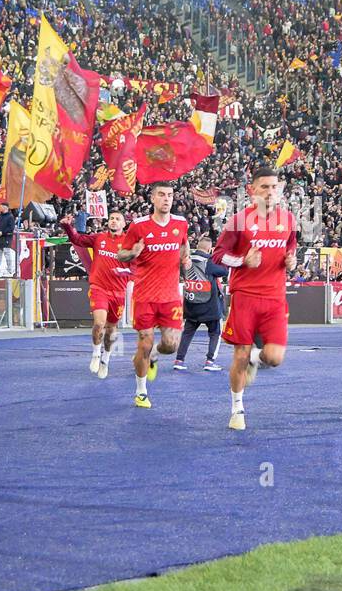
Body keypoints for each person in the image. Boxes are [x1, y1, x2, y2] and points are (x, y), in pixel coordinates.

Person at [211, 166, 297, 431]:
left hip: (274, 298)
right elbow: (217, 256)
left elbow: (291, 244)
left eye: (274, 187)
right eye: (264, 187)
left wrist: (291, 260)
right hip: (245, 296)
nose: (270, 192)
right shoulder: (238, 220)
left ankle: (254, 359)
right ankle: (237, 408)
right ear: (252, 190)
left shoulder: (289, 219)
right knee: (239, 355)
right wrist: (242, 260)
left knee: (274, 358)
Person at [116, 183, 189, 409]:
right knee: (144, 345)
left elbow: (184, 246)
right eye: (161, 195)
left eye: (169, 195)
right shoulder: (138, 226)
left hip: (170, 296)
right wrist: (132, 253)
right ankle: (141, 391)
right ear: (153, 199)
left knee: (170, 345)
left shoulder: (181, 223)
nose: (166, 199)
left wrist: (185, 259)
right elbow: (121, 254)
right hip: (145, 296)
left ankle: (155, 356)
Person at [60, 209, 131, 378]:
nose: (114, 221)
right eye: (112, 218)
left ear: (124, 224)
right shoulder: (99, 238)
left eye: (117, 219)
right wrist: (68, 227)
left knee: (111, 329)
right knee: (99, 323)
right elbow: (77, 239)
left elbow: (138, 267)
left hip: (118, 292)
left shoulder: (130, 243)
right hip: (99, 288)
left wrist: (123, 271)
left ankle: (105, 359)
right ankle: (96, 354)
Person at [174, 234, 228, 372]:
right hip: (210, 306)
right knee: (215, 333)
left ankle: (179, 360)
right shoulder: (209, 262)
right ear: (210, 250)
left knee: (187, 332)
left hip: (191, 304)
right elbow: (223, 271)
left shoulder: (187, 259)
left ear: (197, 246)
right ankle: (210, 361)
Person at [0, 203, 17, 277]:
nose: (0, 208)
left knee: (7, 254)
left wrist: (2, 232)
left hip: (7, 237)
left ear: (6, 207)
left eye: (1, 206)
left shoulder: (10, 217)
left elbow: (11, 228)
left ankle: (10, 270)